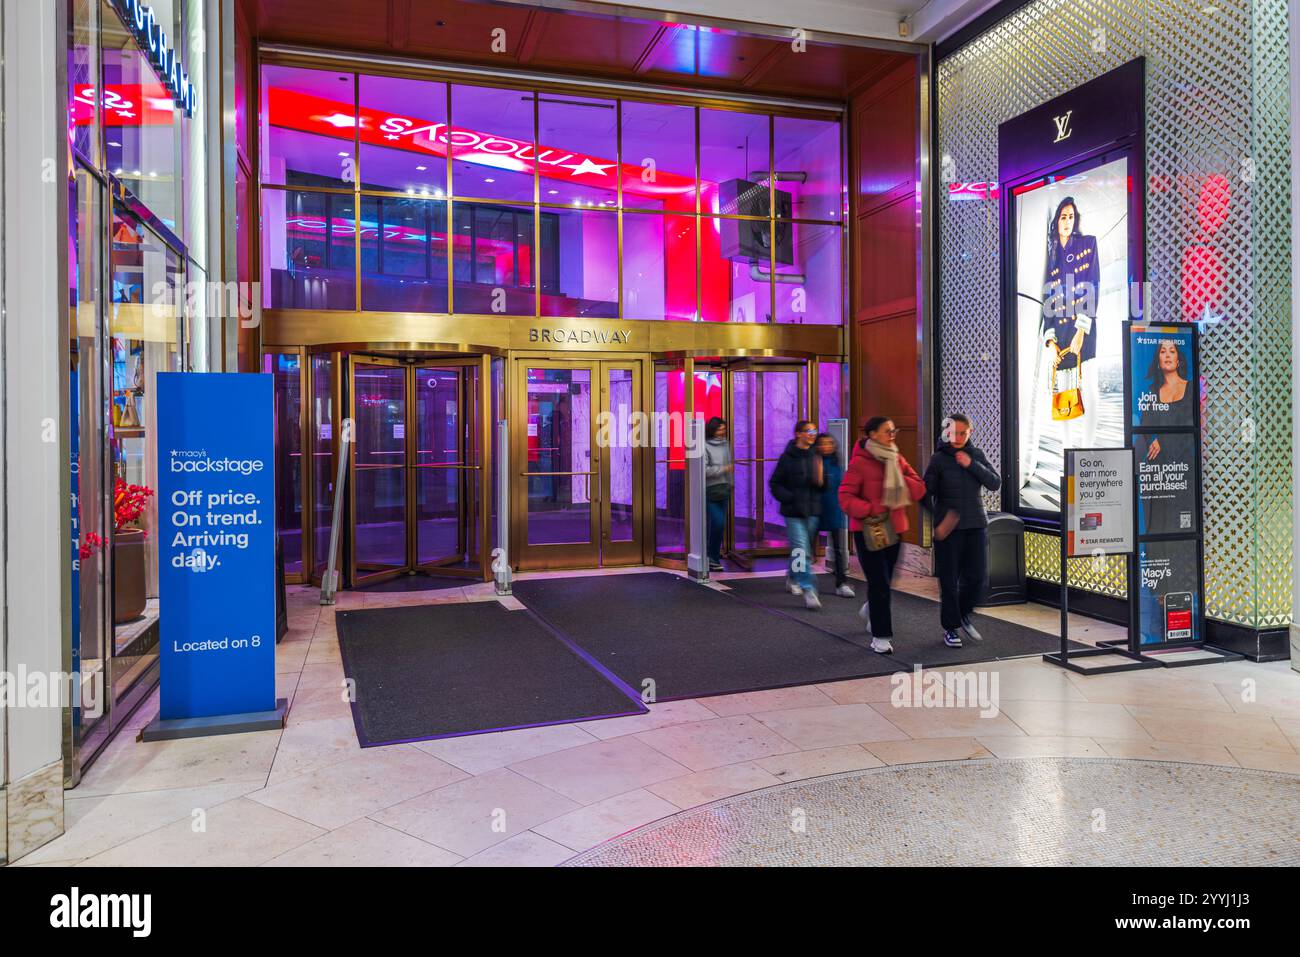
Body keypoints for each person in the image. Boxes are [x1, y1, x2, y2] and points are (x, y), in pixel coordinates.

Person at [838, 416, 925, 654]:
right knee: (879, 584)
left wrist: (898, 475)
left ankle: (871, 609)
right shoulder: (859, 463)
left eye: (894, 430)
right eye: (887, 430)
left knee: (886, 581)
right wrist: (869, 509)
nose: (893, 434)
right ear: (872, 434)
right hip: (869, 531)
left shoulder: (896, 457)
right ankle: (881, 636)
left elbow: (919, 487)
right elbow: (845, 497)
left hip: (895, 529)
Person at [924, 413, 1001, 648]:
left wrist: (971, 465)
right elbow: (924, 493)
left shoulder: (976, 455)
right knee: (949, 581)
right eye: (952, 432)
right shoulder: (937, 460)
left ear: (970, 433)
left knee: (978, 577)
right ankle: (951, 628)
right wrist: (938, 522)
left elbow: (994, 483)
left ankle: (964, 613)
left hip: (976, 525)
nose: (956, 438)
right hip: (949, 530)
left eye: (962, 433)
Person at [769, 420, 824, 609]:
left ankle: (792, 577)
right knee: (802, 550)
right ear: (798, 434)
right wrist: (789, 498)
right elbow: (775, 483)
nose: (813, 434)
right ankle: (809, 589)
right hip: (793, 511)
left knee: (801, 549)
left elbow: (822, 484)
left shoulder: (816, 455)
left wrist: (822, 479)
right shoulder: (787, 457)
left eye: (815, 430)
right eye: (809, 431)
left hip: (813, 510)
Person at [814, 433, 854, 598]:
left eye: (829, 443)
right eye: (822, 444)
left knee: (839, 549)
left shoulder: (837, 464)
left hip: (835, 510)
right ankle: (798, 577)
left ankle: (841, 582)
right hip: (815, 510)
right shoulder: (813, 462)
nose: (826, 446)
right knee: (806, 548)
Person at [703, 416, 732, 572]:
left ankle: (713, 557)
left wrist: (730, 482)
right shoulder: (705, 446)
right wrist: (723, 469)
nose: (723, 431)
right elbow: (704, 469)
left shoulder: (725, 444)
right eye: (720, 428)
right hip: (710, 489)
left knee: (719, 525)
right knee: (718, 522)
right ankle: (710, 556)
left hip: (724, 488)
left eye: (724, 428)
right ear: (712, 430)